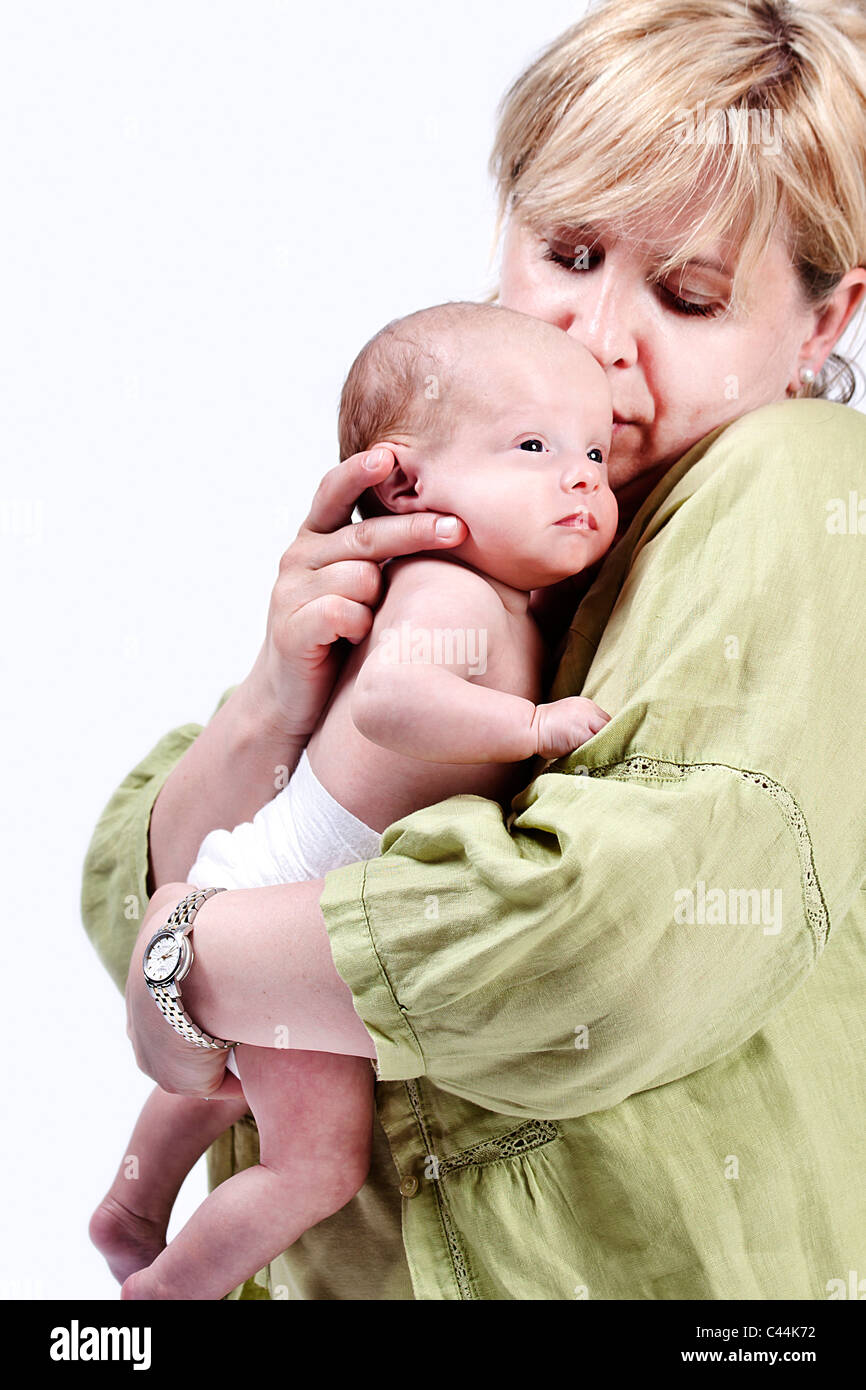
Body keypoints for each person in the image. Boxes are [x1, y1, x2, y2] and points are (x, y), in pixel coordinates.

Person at [82, 0, 866, 1300]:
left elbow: (604, 944)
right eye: (565, 250)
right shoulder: (513, 502)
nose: (593, 338)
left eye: (687, 295)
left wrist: (191, 953)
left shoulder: (798, 484)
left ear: (822, 322)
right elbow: (137, 882)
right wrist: (270, 709)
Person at [89, 302, 619, 1299]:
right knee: (317, 1166)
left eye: (593, 449)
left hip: (272, 888)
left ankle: (129, 1207)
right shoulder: (448, 588)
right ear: (409, 483)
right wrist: (531, 729)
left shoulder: (501, 595)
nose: (579, 475)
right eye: (532, 446)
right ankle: (163, 1294)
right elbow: (392, 704)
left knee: (248, 1078)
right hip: (291, 895)